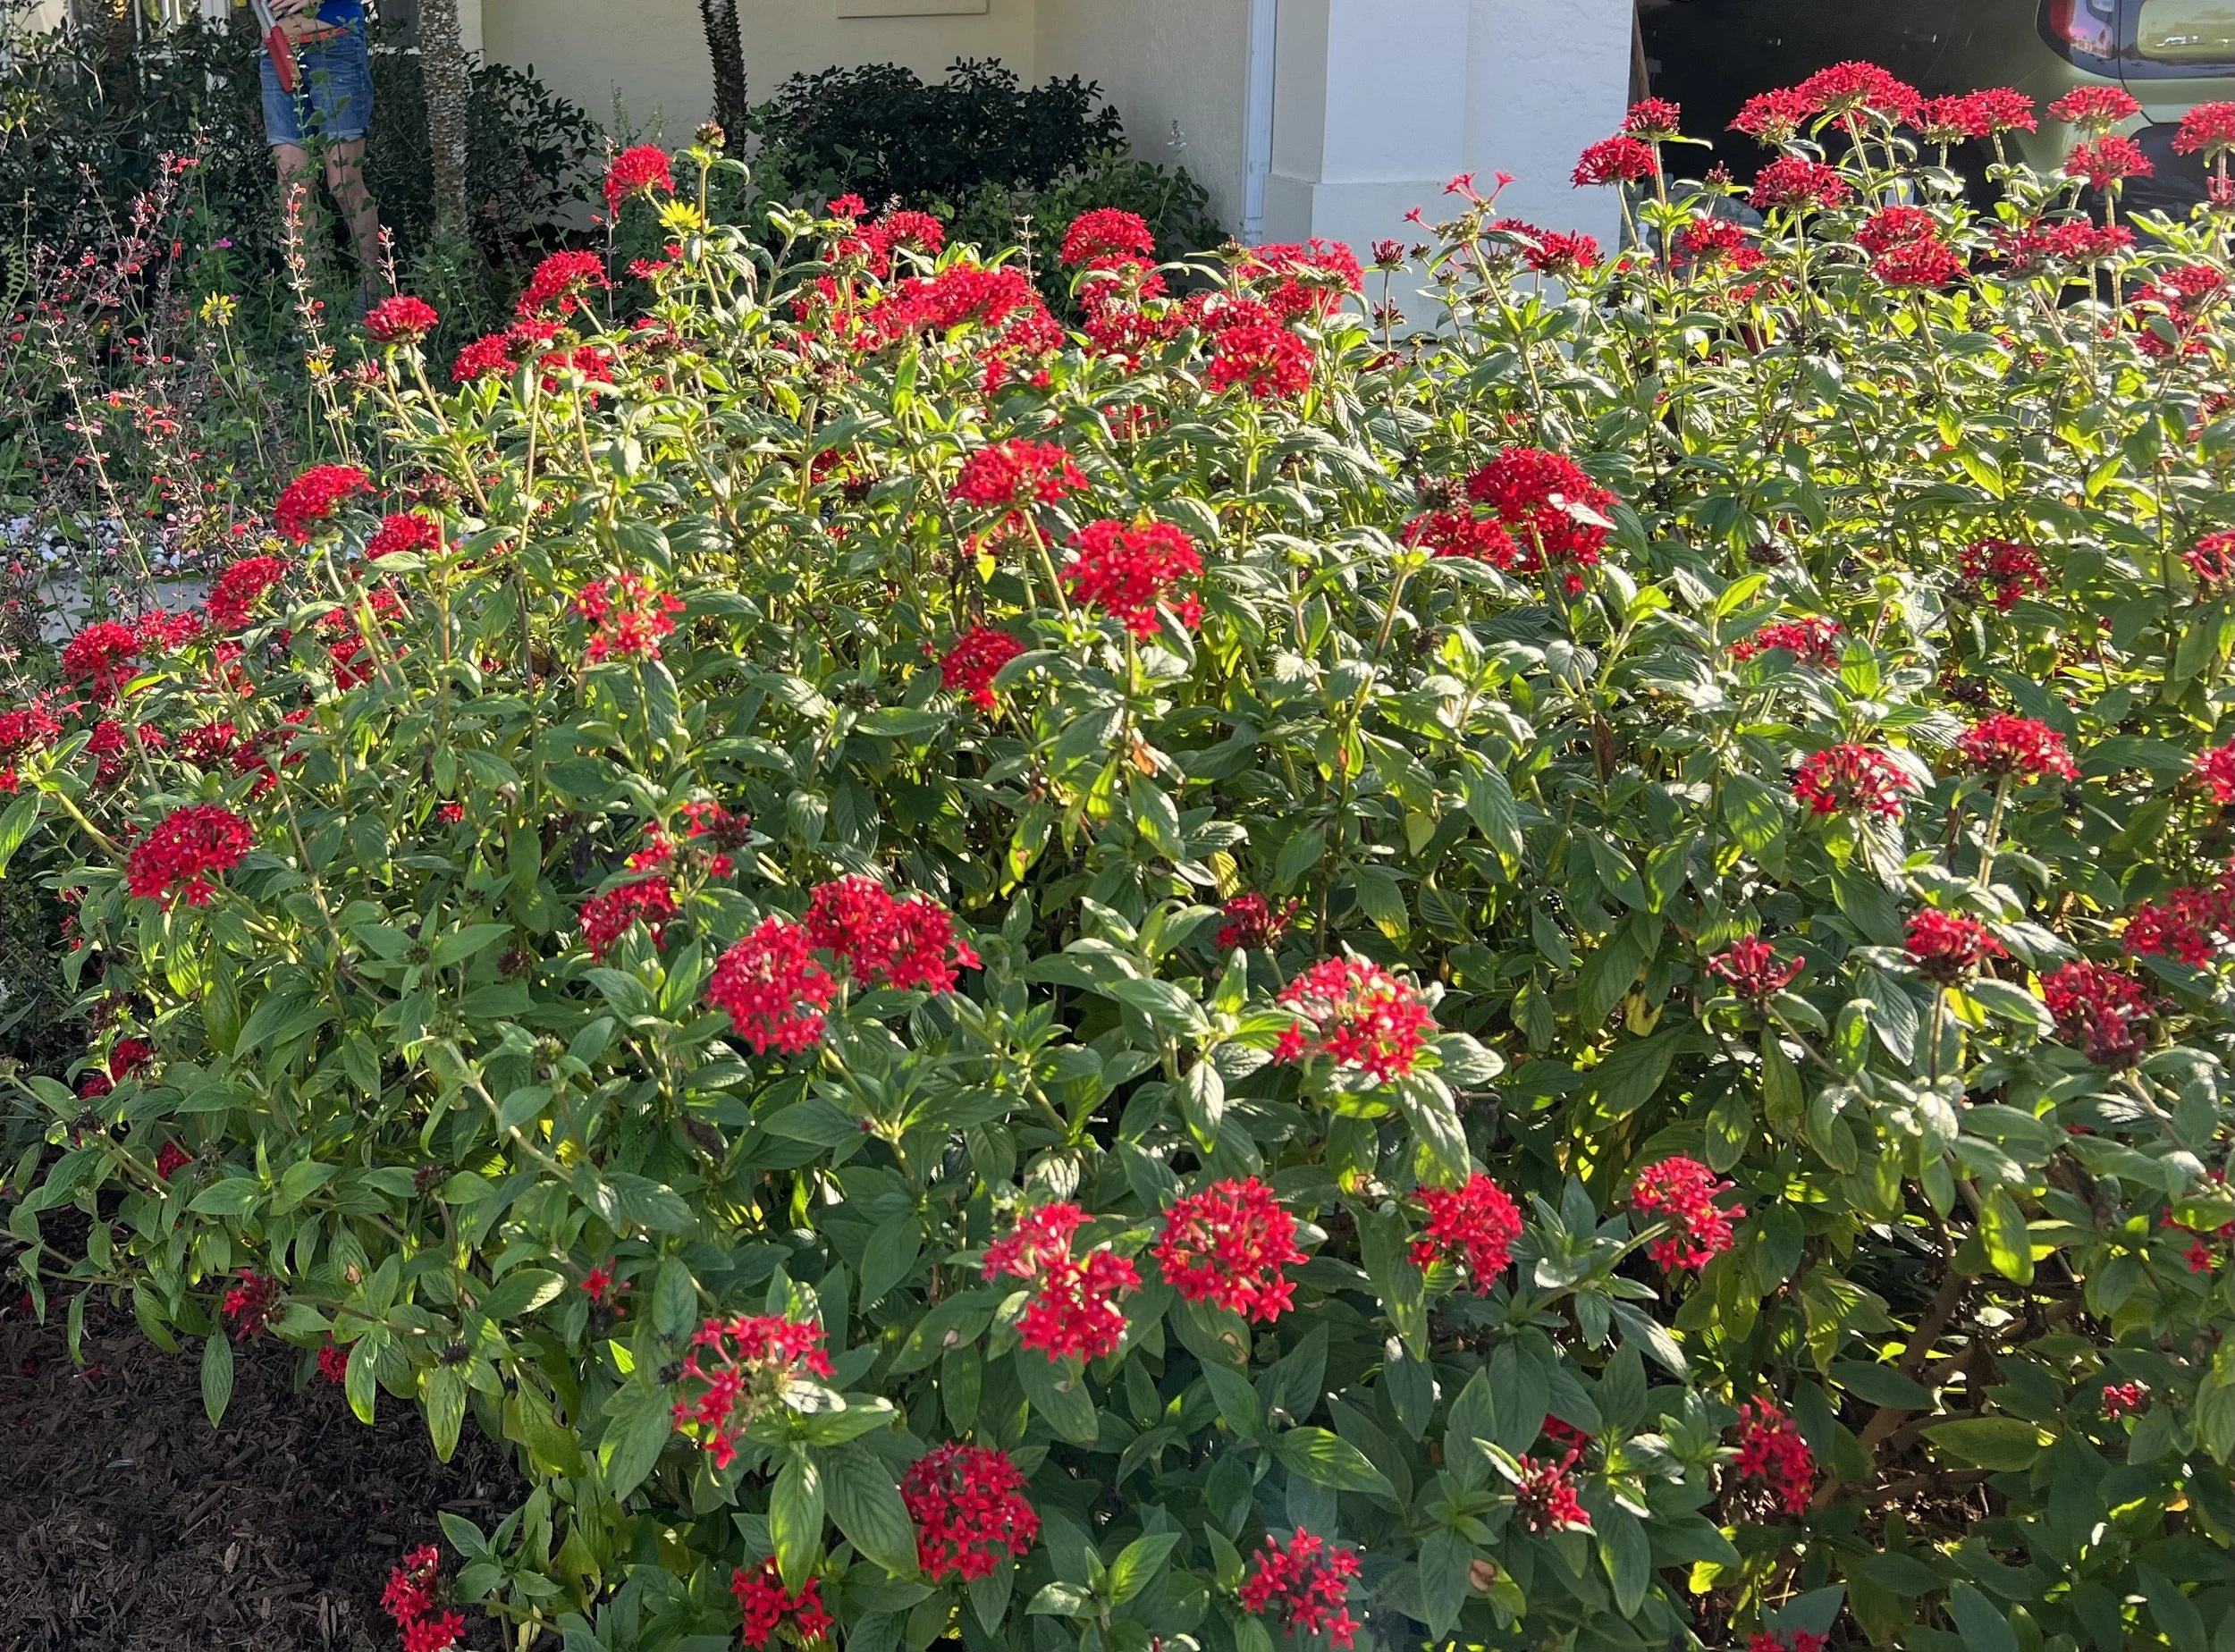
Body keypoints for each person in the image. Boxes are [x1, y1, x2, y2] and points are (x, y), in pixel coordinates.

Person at [259, 0, 384, 306]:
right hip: (276, 45)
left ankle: (371, 294)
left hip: (336, 41)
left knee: (343, 182)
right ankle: (310, 303)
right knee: (292, 186)